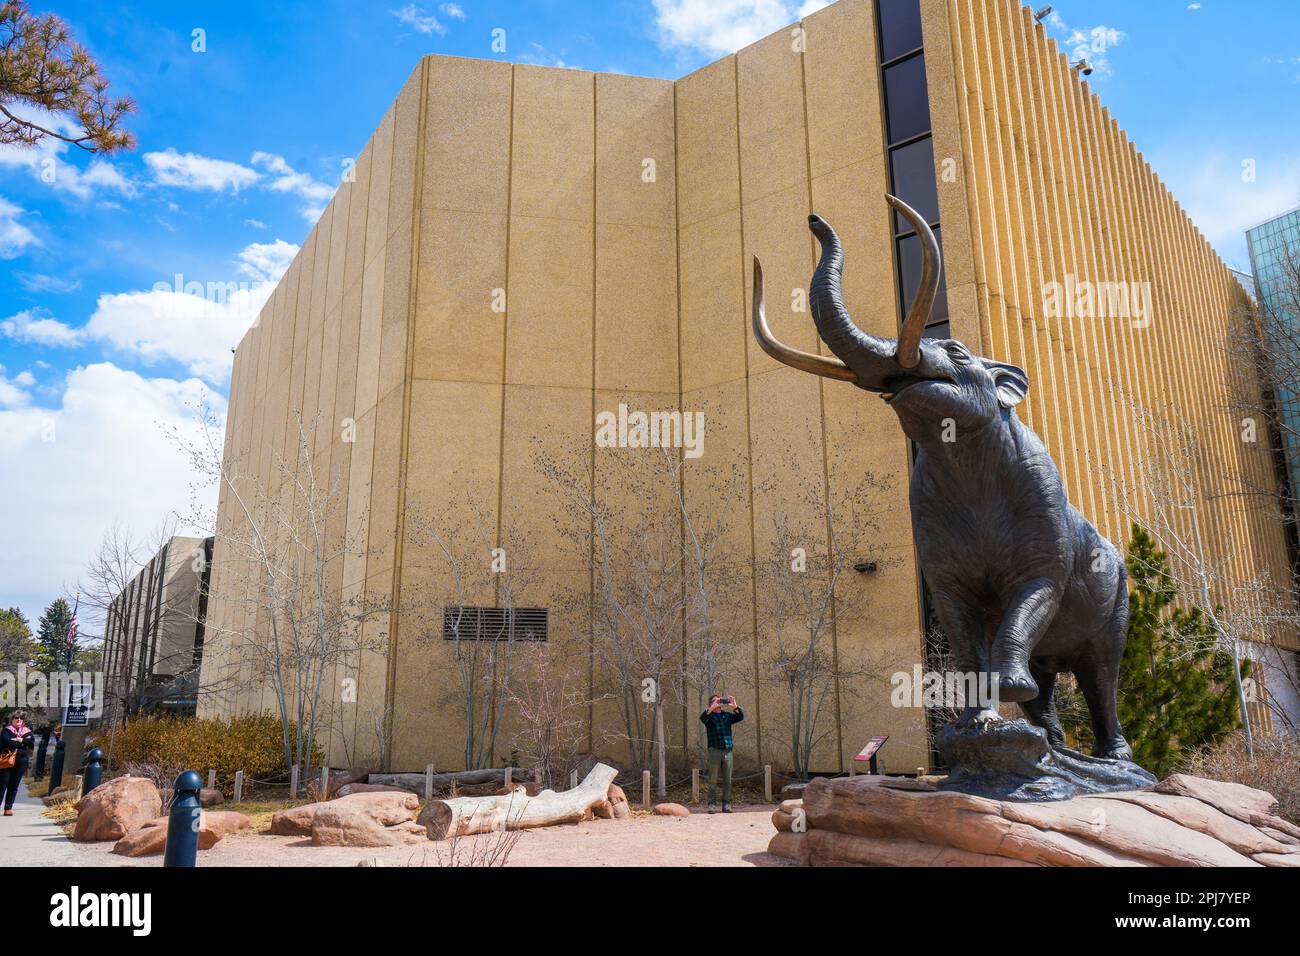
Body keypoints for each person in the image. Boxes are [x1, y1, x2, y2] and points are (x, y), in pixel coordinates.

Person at [700, 694, 743, 813]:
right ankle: (712, 805)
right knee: (712, 779)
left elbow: (740, 717)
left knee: (727, 780)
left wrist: (735, 706)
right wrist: (711, 708)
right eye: (715, 701)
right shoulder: (709, 717)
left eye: (719, 701)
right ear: (711, 704)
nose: (718, 702)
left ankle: (727, 804)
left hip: (727, 750)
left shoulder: (727, 715)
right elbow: (702, 718)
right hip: (714, 750)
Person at [0, 711, 35, 816]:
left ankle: (8, 808)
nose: (19, 719)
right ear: (12, 720)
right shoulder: (6, 731)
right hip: (6, 761)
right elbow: (7, 742)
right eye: (16, 718)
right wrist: (22, 741)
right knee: (2, 784)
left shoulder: (27, 731)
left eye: (21, 718)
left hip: (21, 762)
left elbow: (31, 742)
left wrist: (19, 740)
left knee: (14, 786)